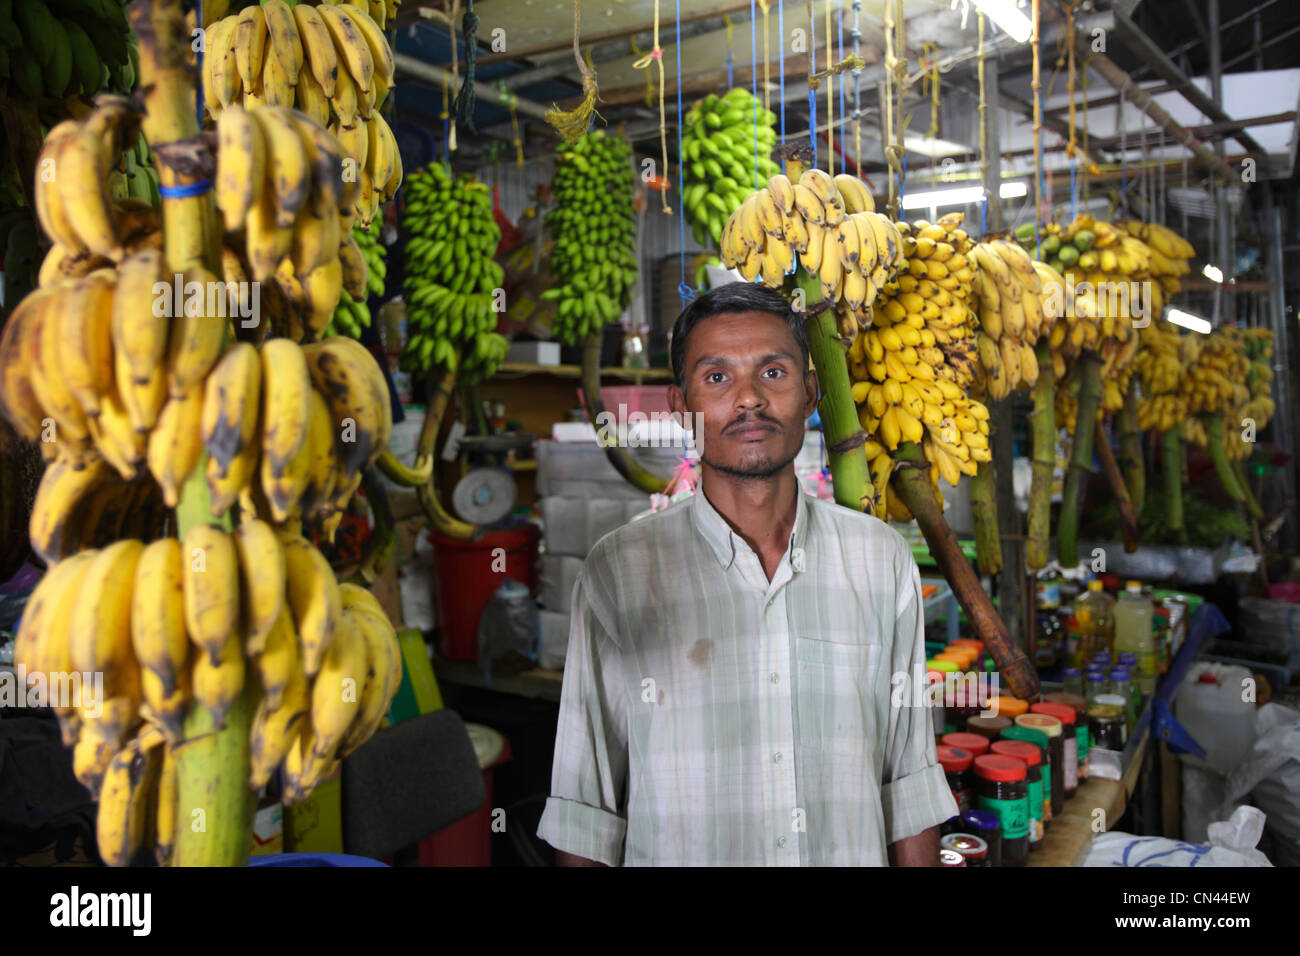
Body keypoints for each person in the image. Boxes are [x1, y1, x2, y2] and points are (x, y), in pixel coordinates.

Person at [536, 283, 957, 866]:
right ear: (681, 408)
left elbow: (909, 784)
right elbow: (586, 811)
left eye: (774, 372)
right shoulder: (620, 573)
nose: (749, 399)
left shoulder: (880, 560)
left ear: (811, 392)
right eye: (716, 378)